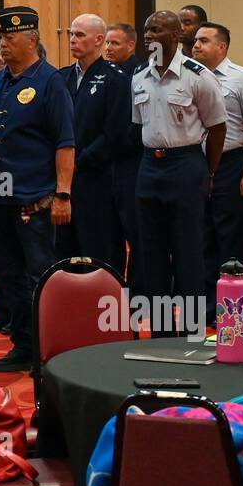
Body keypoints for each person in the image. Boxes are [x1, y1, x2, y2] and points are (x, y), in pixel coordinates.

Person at [0, 6, 74, 372]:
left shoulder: (50, 83)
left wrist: (63, 193)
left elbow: (65, 142)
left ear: (32, 39)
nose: (4, 44)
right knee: (7, 273)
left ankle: (47, 349)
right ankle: (22, 344)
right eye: (1, 38)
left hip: (34, 199)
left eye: (10, 38)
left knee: (38, 275)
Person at [131, 11, 226, 337]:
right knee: (151, 252)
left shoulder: (197, 76)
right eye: (146, 29)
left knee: (188, 251)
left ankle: (191, 327)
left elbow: (217, 128)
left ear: (174, 36)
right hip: (149, 166)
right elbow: (139, 126)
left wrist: (208, 172)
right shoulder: (139, 77)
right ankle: (160, 329)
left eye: (155, 29)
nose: (148, 36)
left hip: (185, 165)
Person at [190, 22, 243, 325]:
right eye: (195, 40)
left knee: (230, 240)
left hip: (232, 162)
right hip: (197, 162)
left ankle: (231, 311)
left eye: (204, 41)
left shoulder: (242, 78)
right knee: (202, 237)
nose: (196, 45)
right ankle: (208, 307)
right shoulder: (190, 76)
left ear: (221, 47)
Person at [57, 13, 129, 267]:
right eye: (70, 34)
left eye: (79, 35)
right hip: (64, 180)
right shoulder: (61, 77)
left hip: (98, 179)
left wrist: (80, 162)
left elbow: (115, 133)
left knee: (99, 246)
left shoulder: (115, 79)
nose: (72, 40)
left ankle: (105, 303)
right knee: (65, 247)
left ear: (99, 40)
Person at [105, 22, 144, 292]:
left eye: (115, 43)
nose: (108, 48)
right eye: (106, 43)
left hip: (132, 162)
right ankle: (112, 288)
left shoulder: (139, 74)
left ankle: (139, 291)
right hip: (108, 166)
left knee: (137, 233)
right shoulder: (105, 74)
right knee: (109, 234)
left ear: (131, 45)